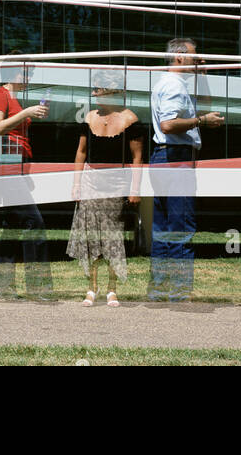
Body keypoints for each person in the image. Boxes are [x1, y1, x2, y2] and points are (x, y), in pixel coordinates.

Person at [148, 37, 223, 302]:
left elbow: (202, 105)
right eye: (194, 56)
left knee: (163, 227)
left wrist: (201, 76)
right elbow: (169, 124)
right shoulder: (174, 86)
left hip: (164, 157)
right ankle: (178, 292)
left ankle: (158, 290)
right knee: (180, 227)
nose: (198, 60)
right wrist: (202, 120)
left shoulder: (171, 84)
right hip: (175, 157)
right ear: (179, 56)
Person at [68, 69, 144, 307]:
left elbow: (137, 159)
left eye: (98, 89)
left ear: (113, 92)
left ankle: (112, 289)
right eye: (94, 89)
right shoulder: (89, 117)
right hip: (91, 183)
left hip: (115, 185)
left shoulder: (130, 119)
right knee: (91, 237)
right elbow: (81, 153)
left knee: (112, 237)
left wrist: (135, 189)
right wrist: (76, 184)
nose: (95, 94)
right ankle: (91, 288)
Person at [0, 54, 53, 300]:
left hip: (17, 162)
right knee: (34, 224)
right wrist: (25, 112)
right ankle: (39, 289)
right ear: (14, 74)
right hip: (6, 162)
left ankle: (3, 290)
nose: (30, 78)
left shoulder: (15, 97)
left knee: (12, 226)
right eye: (27, 73)